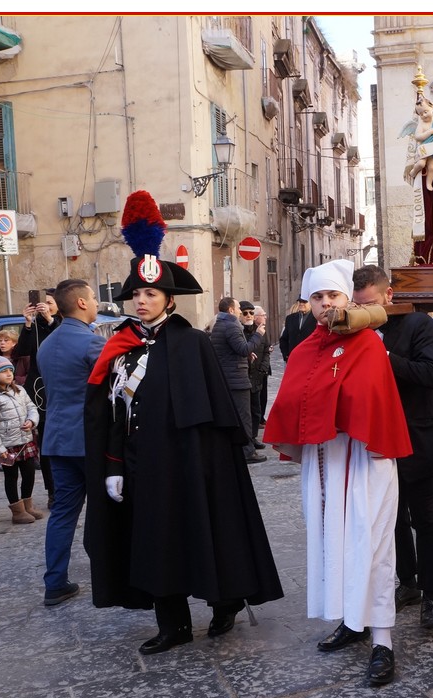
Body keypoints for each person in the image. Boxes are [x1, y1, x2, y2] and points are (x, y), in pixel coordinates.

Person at [84, 189, 284, 655]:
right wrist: (113, 465)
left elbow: (213, 413)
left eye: (150, 293)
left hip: (193, 464)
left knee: (207, 531)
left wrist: (211, 461)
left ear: (169, 299)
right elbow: (113, 411)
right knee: (155, 542)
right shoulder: (120, 347)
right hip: (140, 468)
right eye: (136, 294)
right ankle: (171, 624)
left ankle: (224, 602)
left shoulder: (191, 343)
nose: (141, 301)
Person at [264, 259, 412, 686]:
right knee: (332, 542)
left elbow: (372, 401)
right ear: (308, 303)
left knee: (371, 545)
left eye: (333, 295)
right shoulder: (307, 346)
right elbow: (292, 400)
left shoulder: (367, 343)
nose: (326, 303)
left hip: (366, 459)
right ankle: (352, 621)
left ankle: (382, 639)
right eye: (318, 296)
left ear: (348, 298)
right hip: (324, 463)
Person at [351, 265, 433, 629]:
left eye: (371, 304)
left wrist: (384, 356)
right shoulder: (355, 328)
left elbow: (429, 375)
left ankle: (430, 595)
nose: (364, 312)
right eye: (358, 305)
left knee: (426, 519)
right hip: (377, 440)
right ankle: (406, 583)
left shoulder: (418, 324)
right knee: (391, 520)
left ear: (388, 296)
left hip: (417, 437)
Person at [38, 279, 106, 606]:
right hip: (90, 440)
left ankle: (55, 583)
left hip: (57, 439)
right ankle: (107, 573)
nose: (96, 303)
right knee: (103, 508)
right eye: (93, 297)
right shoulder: (91, 343)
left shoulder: (47, 345)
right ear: (80, 303)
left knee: (63, 512)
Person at [0, 353, 41, 524]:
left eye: (9, 370)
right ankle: (17, 511)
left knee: (29, 473)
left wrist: (31, 420)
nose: (8, 374)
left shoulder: (20, 390)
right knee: (11, 477)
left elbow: (32, 407)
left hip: (25, 440)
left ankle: (28, 505)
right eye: (3, 371)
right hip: (7, 446)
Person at [14, 289, 61, 508]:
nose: (45, 307)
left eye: (50, 303)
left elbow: (62, 342)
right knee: (46, 441)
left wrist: (50, 319)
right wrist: (27, 323)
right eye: (43, 304)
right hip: (39, 388)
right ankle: (52, 490)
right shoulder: (34, 327)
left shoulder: (60, 323)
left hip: (59, 386)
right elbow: (22, 351)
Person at [210, 296, 265, 464]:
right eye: (239, 308)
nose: (242, 311)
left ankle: (237, 449)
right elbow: (242, 348)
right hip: (236, 379)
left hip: (228, 377)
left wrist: (247, 354)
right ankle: (248, 452)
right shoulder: (231, 325)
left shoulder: (220, 324)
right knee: (244, 417)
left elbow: (231, 350)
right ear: (231, 310)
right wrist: (258, 335)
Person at [239, 301, 269, 451]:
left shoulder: (261, 331)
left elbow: (266, 350)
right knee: (245, 412)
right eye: (245, 313)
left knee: (256, 411)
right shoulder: (238, 332)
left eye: (251, 312)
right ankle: (247, 440)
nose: (249, 315)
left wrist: (263, 369)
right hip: (244, 377)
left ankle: (253, 437)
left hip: (257, 376)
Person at [403, 96, 433, 191]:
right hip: (424, 149)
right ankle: (413, 172)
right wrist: (430, 132)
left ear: (432, 108)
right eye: (420, 114)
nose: (424, 115)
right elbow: (418, 137)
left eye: (425, 112)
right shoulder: (421, 125)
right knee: (421, 164)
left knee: (432, 167)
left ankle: (429, 183)